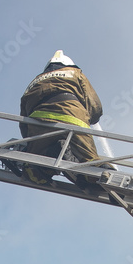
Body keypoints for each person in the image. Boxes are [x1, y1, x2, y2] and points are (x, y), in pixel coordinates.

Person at [18, 51, 103, 184]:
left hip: (38, 125)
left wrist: (30, 141)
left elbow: (23, 120)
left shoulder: (33, 82)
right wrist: (93, 117)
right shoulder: (76, 73)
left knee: (36, 163)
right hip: (73, 118)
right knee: (89, 159)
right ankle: (92, 174)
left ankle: (45, 167)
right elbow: (94, 104)